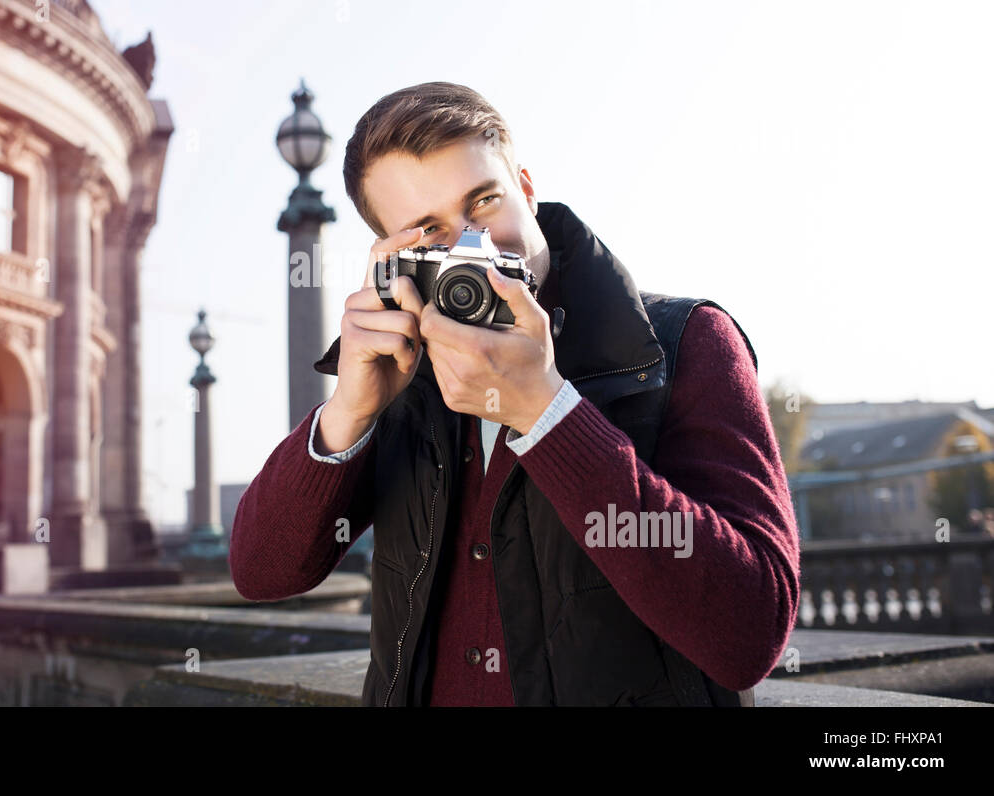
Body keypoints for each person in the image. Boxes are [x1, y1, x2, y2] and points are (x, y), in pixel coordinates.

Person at [230, 81, 801, 706]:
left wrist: (549, 414)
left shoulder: (681, 342)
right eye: (429, 231)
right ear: (391, 259)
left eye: (484, 202)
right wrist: (350, 410)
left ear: (525, 189)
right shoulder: (399, 378)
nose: (475, 243)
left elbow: (750, 633)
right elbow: (262, 572)